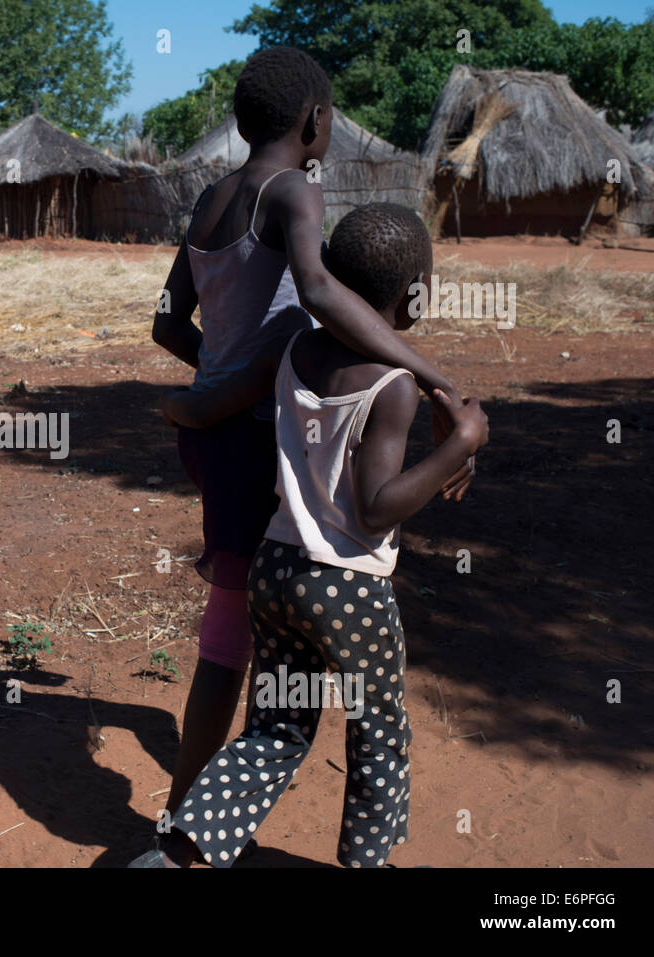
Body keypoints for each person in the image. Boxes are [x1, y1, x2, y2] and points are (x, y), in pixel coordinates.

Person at [141, 47, 474, 862]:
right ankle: (188, 820)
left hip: (219, 436)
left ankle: (191, 829)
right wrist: (433, 379)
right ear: (316, 121)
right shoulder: (293, 189)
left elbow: (166, 322)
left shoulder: (209, 199)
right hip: (257, 445)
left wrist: (211, 390)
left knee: (256, 653)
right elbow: (319, 291)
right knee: (236, 651)